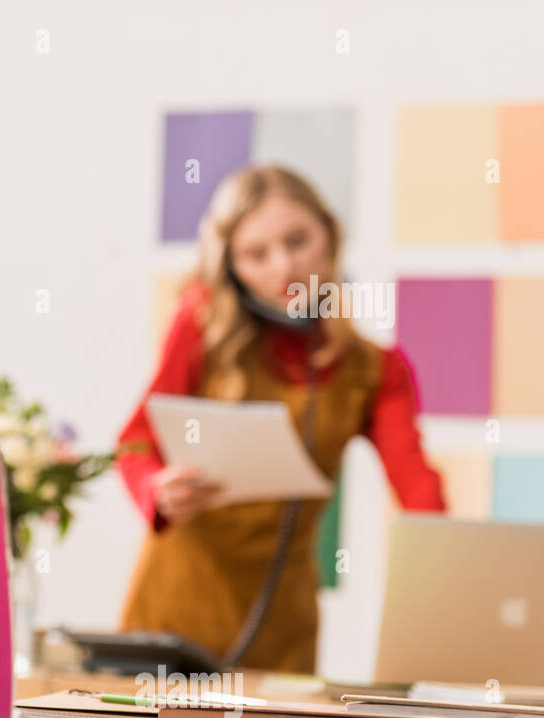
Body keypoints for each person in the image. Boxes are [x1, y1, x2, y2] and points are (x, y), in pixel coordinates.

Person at [116, 165, 446, 672]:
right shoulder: (201, 323)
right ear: (229, 264)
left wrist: (448, 566)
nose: (284, 266)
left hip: (283, 629)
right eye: (256, 254)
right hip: (174, 612)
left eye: (298, 241)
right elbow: (136, 441)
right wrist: (155, 490)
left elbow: (417, 486)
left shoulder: (375, 369)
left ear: (329, 236)